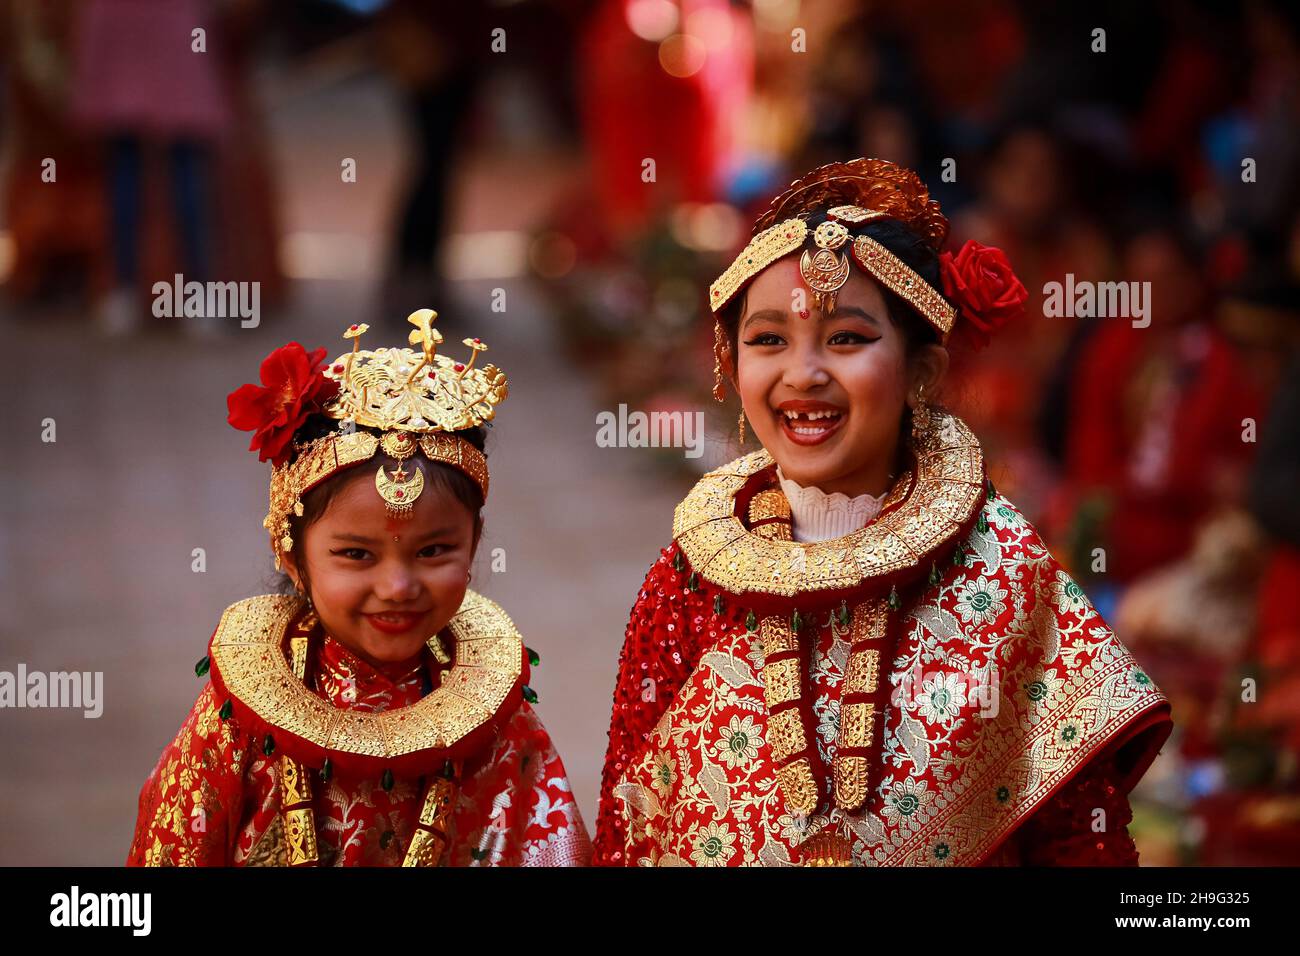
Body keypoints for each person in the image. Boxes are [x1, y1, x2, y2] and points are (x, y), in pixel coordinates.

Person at [593, 159, 1173, 866]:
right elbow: (628, 832)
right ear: (729, 361)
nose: (802, 375)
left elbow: (1080, 844)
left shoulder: (1009, 577)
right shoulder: (686, 584)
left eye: (847, 340)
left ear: (921, 371)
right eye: (768, 339)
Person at [128, 310, 591, 866]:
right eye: (356, 555)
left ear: (474, 543)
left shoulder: (501, 727)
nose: (397, 586)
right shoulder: (237, 730)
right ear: (291, 555)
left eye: (432, 551)